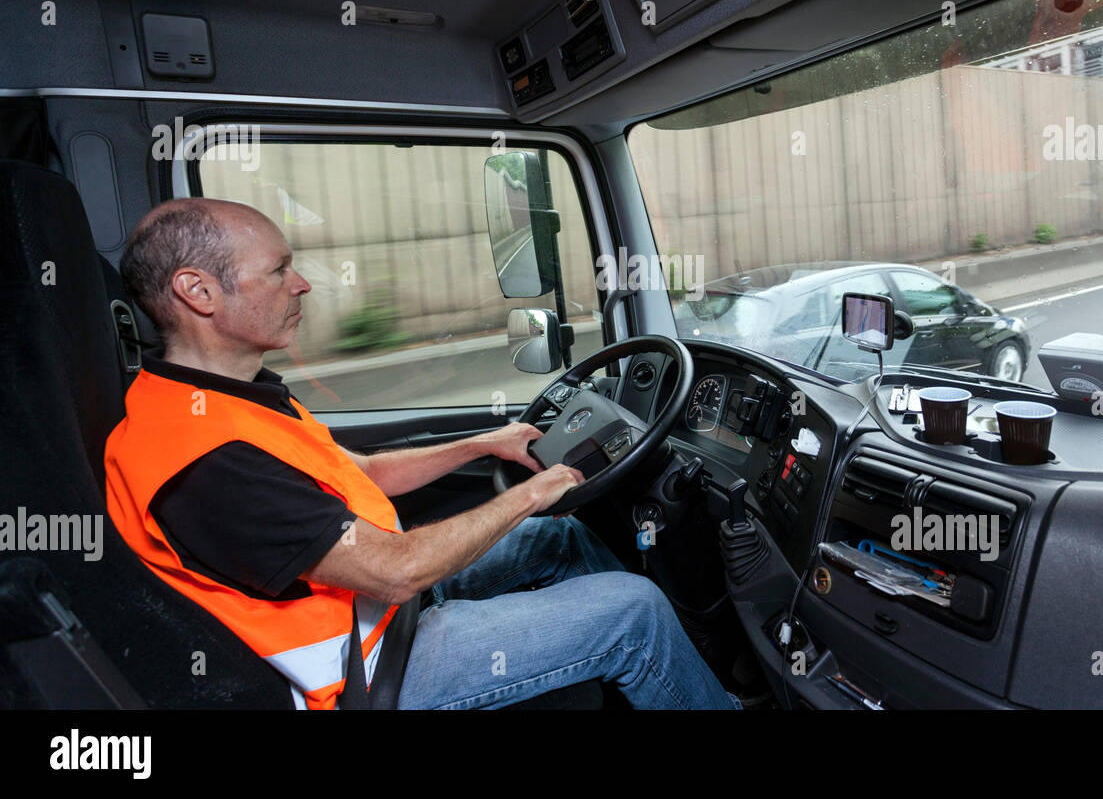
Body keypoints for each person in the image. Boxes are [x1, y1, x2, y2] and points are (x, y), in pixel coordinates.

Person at [104, 197, 740, 710]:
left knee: (561, 537)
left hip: (372, 614)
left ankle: (638, 682)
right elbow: (396, 570)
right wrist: (534, 491)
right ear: (199, 292)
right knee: (634, 612)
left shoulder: (220, 399)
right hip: (366, 675)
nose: (300, 284)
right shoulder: (203, 459)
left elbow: (360, 474)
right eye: (277, 269)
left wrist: (482, 443)